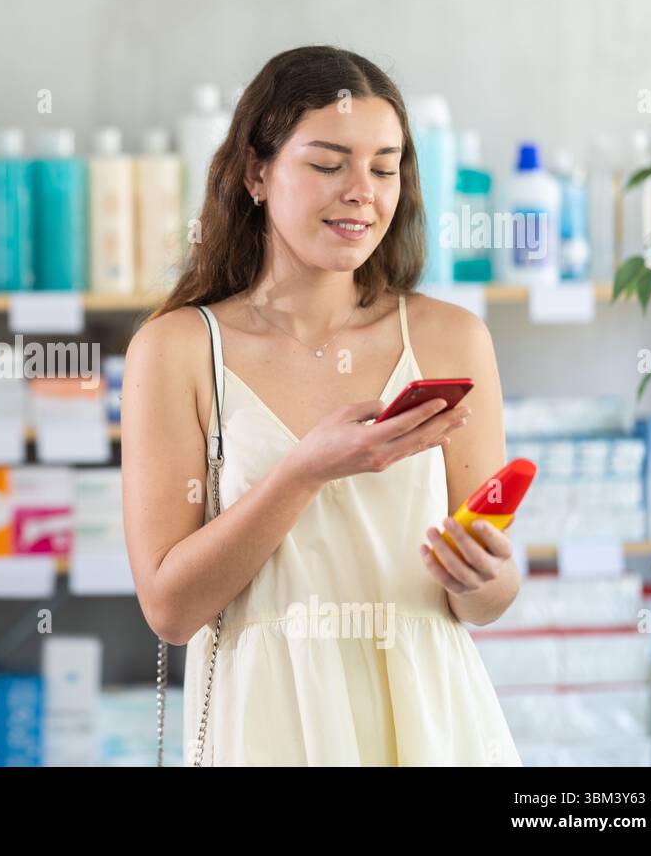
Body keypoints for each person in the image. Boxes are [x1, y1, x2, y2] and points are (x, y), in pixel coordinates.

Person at [122, 46, 522, 766]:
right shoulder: (179, 349)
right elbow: (171, 610)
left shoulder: (451, 339)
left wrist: (487, 576)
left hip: (431, 723)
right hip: (269, 725)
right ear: (255, 173)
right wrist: (303, 471)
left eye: (384, 165)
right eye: (327, 163)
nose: (361, 191)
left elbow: (486, 600)